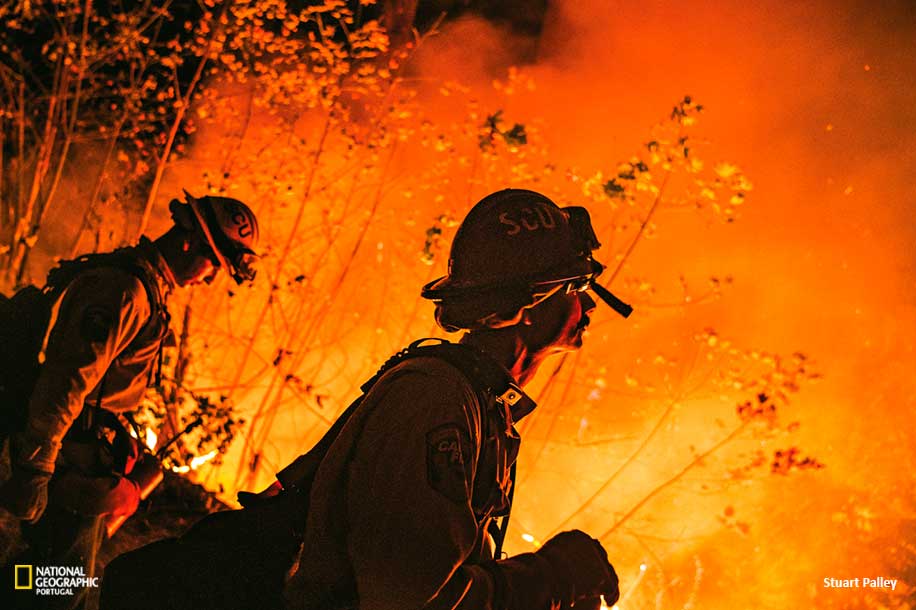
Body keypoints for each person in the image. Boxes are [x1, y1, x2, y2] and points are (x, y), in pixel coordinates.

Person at [281, 188, 632, 610]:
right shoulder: (435, 401)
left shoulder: (483, 407)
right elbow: (413, 598)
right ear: (527, 305)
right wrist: (549, 580)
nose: (590, 303)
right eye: (576, 287)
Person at [0, 191, 259, 609]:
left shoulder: (144, 288)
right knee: (59, 587)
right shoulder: (124, 291)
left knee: (56, 580)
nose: (211, 277)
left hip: (84, 457)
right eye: (213, 261)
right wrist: (35, 466)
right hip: (69, 463)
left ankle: (11, 591)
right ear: (188, 239)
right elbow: (69, 377)